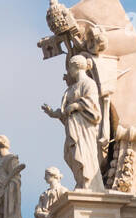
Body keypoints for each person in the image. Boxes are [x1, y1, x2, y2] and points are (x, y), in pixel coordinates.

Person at [42, 55, 105, 191]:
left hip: (84, 126)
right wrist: (54, 113)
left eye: (69, 67)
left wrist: (77, 106)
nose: (68, 71)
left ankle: (89, 183)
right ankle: (81, 181)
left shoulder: (88, 83)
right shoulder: (71, 88)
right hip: (72, 126)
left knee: (84, 153)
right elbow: (65, 112)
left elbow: (94, 106)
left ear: (76, 66)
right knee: (70, 154)